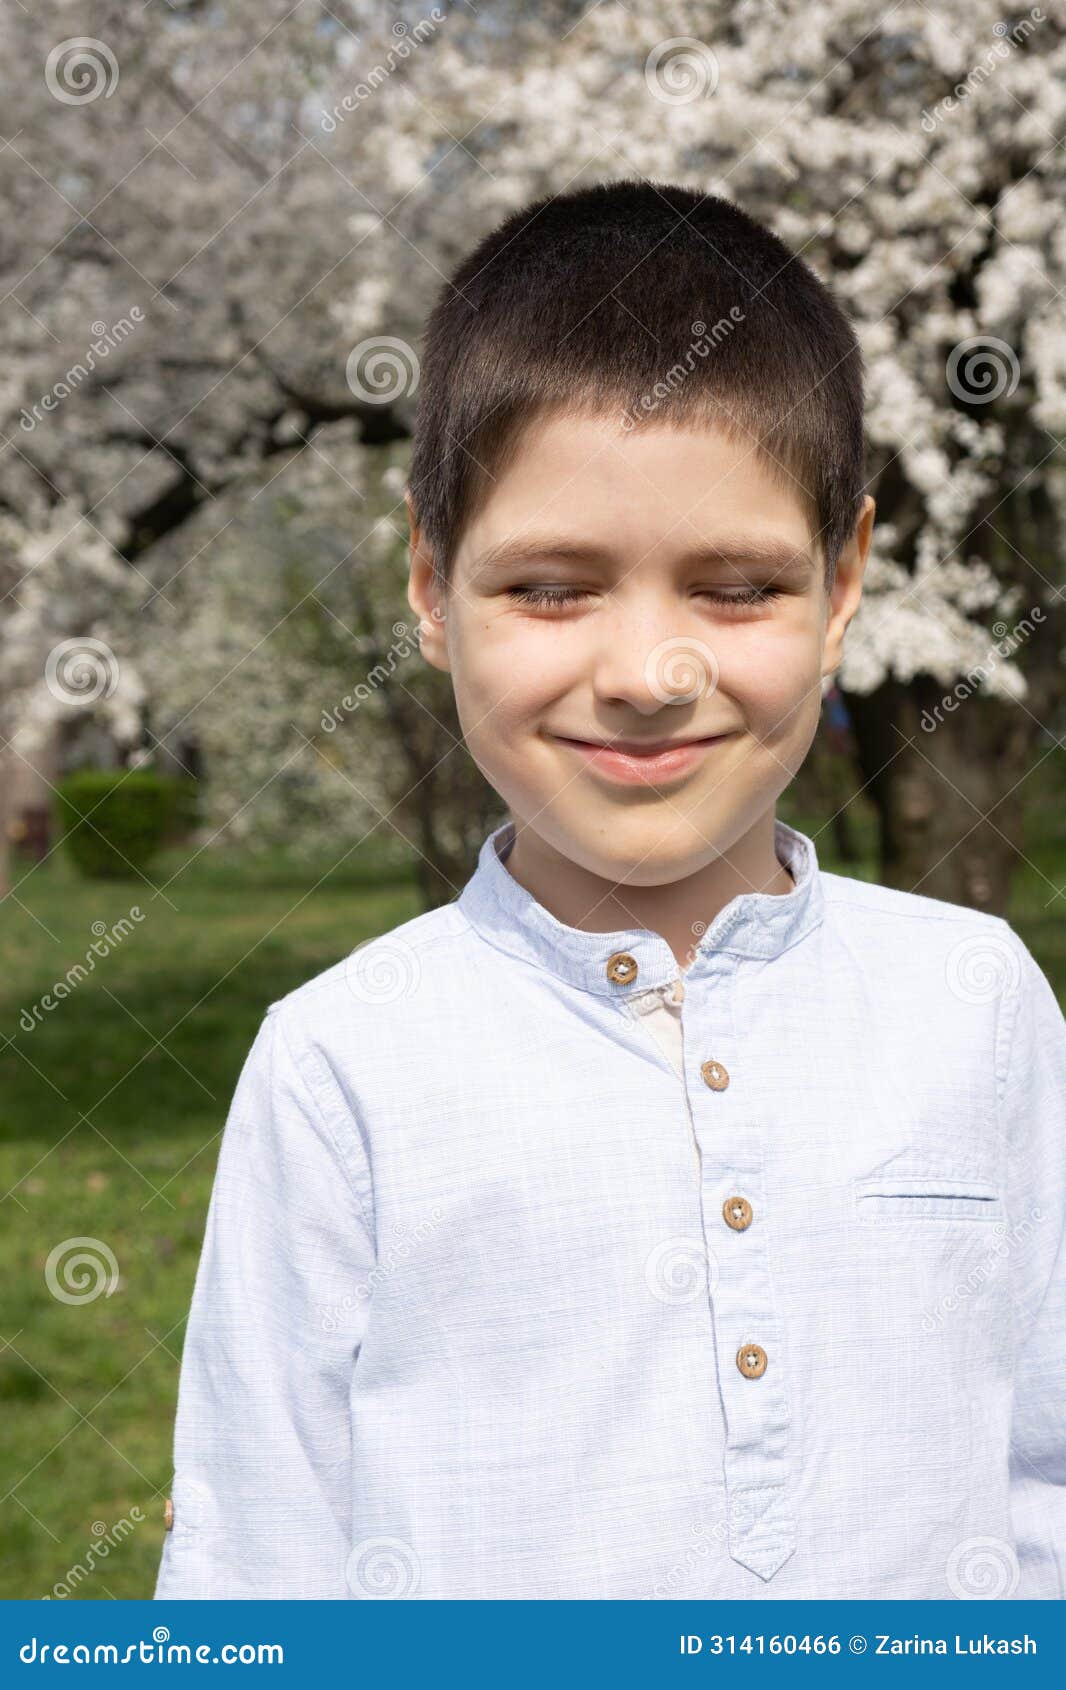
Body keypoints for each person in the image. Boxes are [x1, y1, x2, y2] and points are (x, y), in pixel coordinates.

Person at [154, 181, 1065, 1601]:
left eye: (736, 588)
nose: (650, 674)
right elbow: (253, 1560)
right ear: (429, 580)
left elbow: (1043, 1479)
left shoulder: (976, 999)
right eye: (553, 588)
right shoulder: (341, 1063)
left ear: (841, 588)